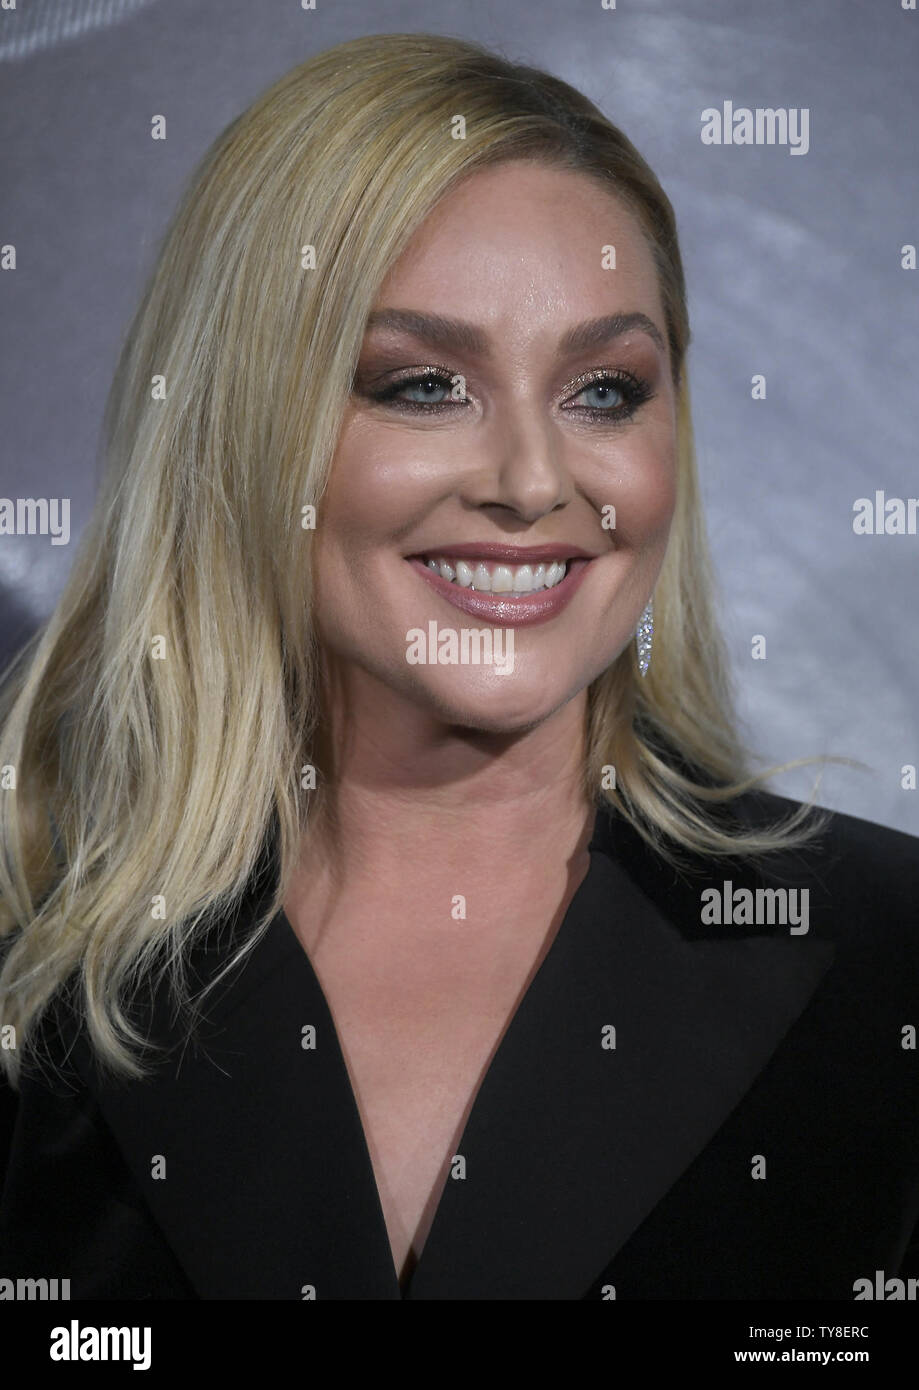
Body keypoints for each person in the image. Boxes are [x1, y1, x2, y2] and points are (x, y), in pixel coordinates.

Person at [0, 32, 917, 1302]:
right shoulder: (39, 975)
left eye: (604, 391)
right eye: (423, 383)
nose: (535, 480)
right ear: (243, 416)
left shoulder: (892, 951)